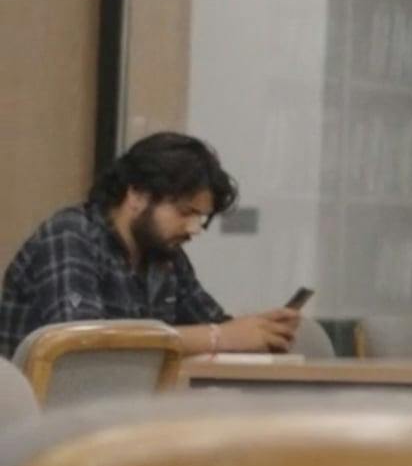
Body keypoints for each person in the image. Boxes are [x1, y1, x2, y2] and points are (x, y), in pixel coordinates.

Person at [0, 132, 299, 358]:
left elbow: (212, 323)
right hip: (49, 416)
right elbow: (82, 343)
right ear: (137, 196)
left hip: (127, 411)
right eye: (185, 212)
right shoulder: (72, 234)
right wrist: (218, 337)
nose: (194, 229)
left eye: (200, 218)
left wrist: (257, 329)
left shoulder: (165, 254)